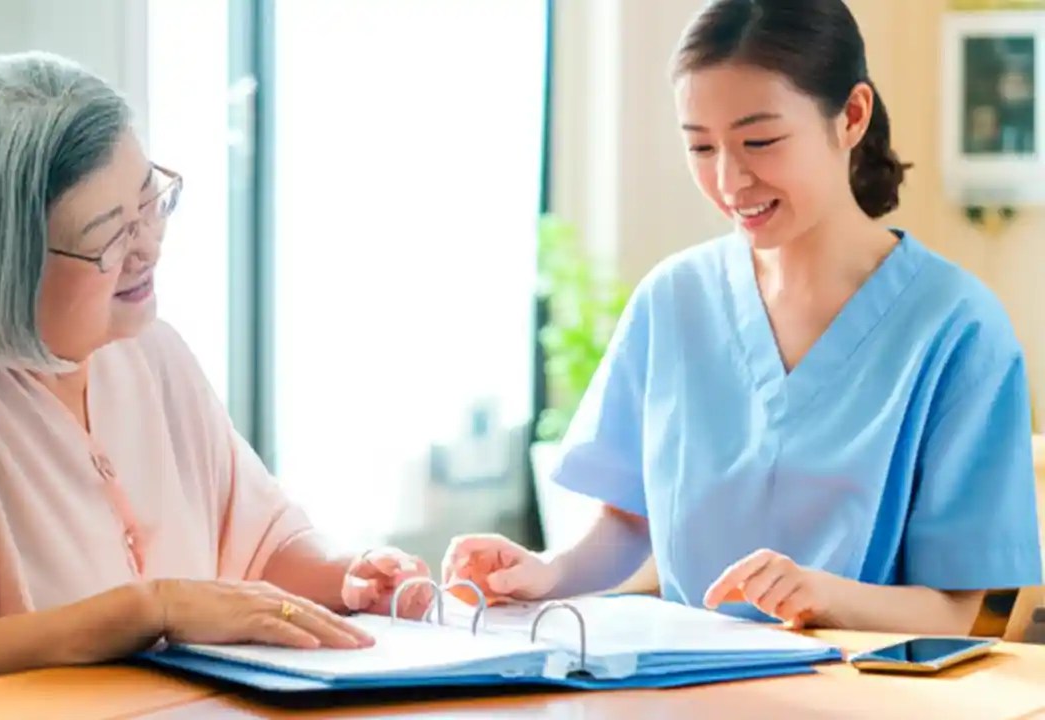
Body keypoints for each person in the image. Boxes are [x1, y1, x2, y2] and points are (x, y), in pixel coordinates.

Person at [0, 51, 432, 706]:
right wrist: (150, 610)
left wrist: (347, 578)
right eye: (109, 233)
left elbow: (257, 541)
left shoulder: (145, 349)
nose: (148, 247)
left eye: (150, 203)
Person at [443, 0, 1042, 634]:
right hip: (682, 687)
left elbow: (954, 612)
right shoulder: (673, 300)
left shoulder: (957, 329)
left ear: (852, 117)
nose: (730, 180)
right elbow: (631, 520)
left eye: (760, 141)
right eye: (701, 147)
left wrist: (819, 595)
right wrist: (546, 573)